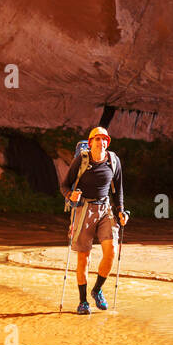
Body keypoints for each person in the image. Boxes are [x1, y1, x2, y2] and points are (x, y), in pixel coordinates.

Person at [59, 126, 127, 313]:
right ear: (90, 143)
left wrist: (120, 210)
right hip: (84, 209)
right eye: (97, 139)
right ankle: (83, 302)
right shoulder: (81, 160)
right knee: (84, 257)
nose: (101, 142)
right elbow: (64, 186)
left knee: (111, 251)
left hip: (105, 209)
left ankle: (97, 290)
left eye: (104, 139)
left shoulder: (113, 160)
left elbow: (118, 189)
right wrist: (70, 195)